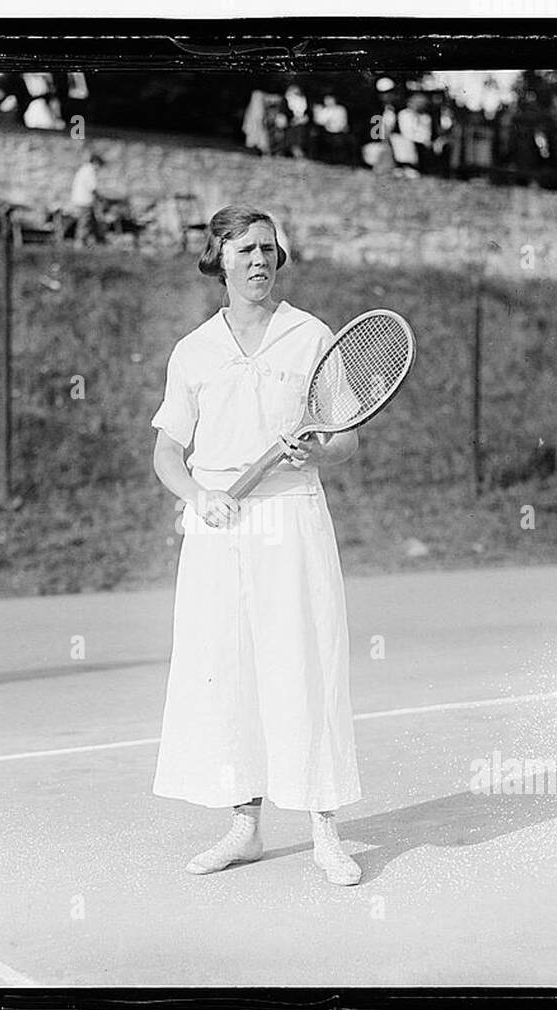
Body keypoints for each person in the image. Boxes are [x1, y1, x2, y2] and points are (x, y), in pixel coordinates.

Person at [149, 205, 364, 886]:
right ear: (218, 258)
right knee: (226, 674)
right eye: (244, 249)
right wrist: (196, 494)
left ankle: (325, 832)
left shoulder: (310, 336)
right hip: (218, 528)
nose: (259, 261)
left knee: (303, 665)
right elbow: (166, 451)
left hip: (292, 520)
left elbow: (349, 434)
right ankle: (244, 826)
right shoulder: (193, 351)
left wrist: (321, 446)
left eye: (268, 249)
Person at [69, 151, 105, 247]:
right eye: (99, 165)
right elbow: (93, 188)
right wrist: (101, 198)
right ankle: (79, 244)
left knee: (91, 223)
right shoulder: (90, 171)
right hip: (84, 201)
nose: (99, 168)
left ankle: (93, 242)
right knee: (84, 223)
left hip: (81, 200)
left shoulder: (83, 169)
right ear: (95, 162)